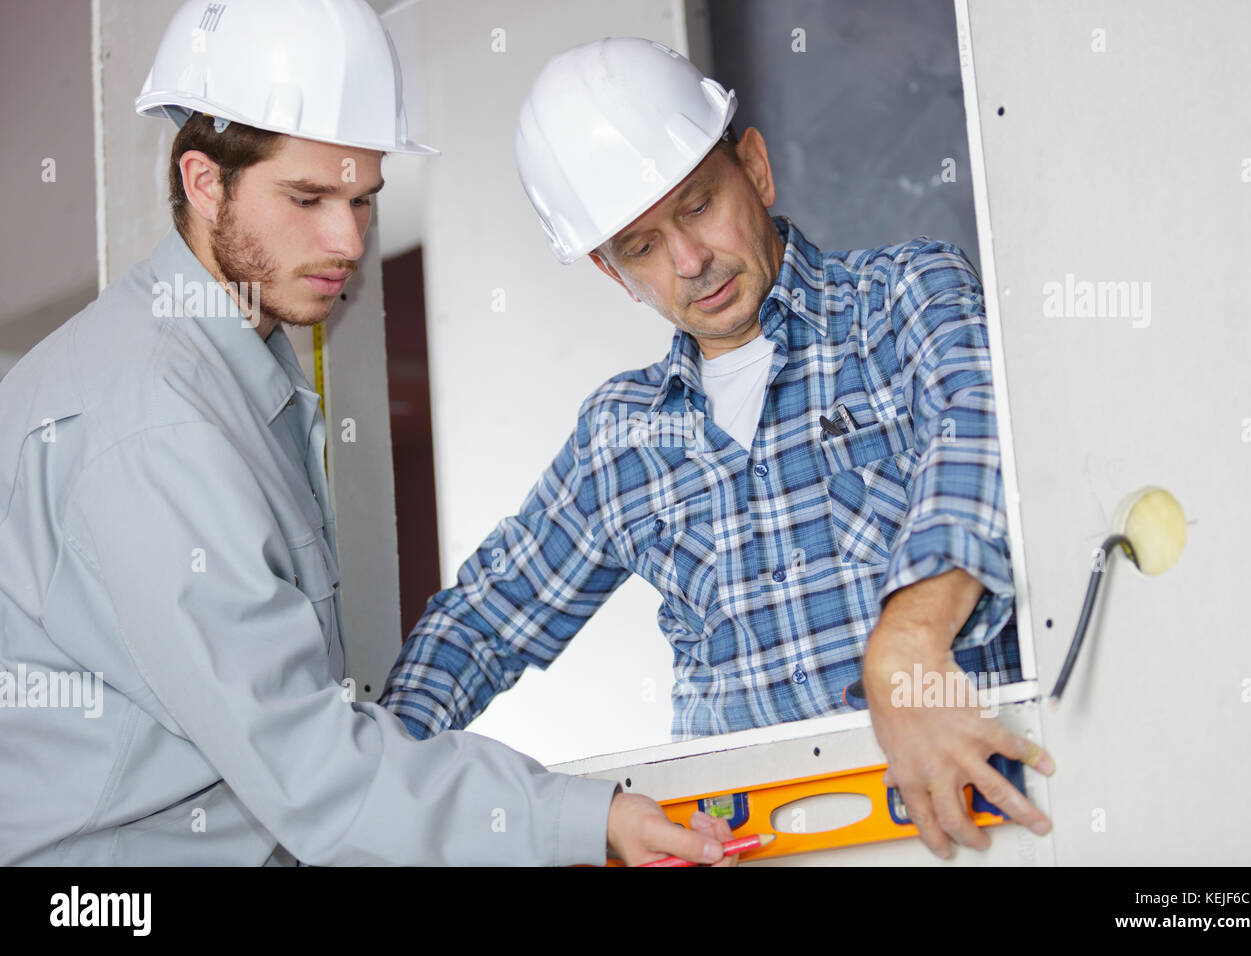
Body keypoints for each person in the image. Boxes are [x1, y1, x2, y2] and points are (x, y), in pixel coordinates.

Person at [0, 3, 730, 867]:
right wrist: (582, 820)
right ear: (204, 181)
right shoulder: (154, 422)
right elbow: (311, 770)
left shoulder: (217, 369)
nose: (347, 240)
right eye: (308, 198)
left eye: (362, 198)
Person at [382, 36, 1054, 859]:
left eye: (697, 205)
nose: (690, 262)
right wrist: (367, 790)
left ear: (756, 169)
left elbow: (978, 436)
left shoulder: (906, 298)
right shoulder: (621, 439)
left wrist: (909, 636)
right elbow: (478, 627)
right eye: (642, 247)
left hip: (967, 827)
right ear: (613, 273)